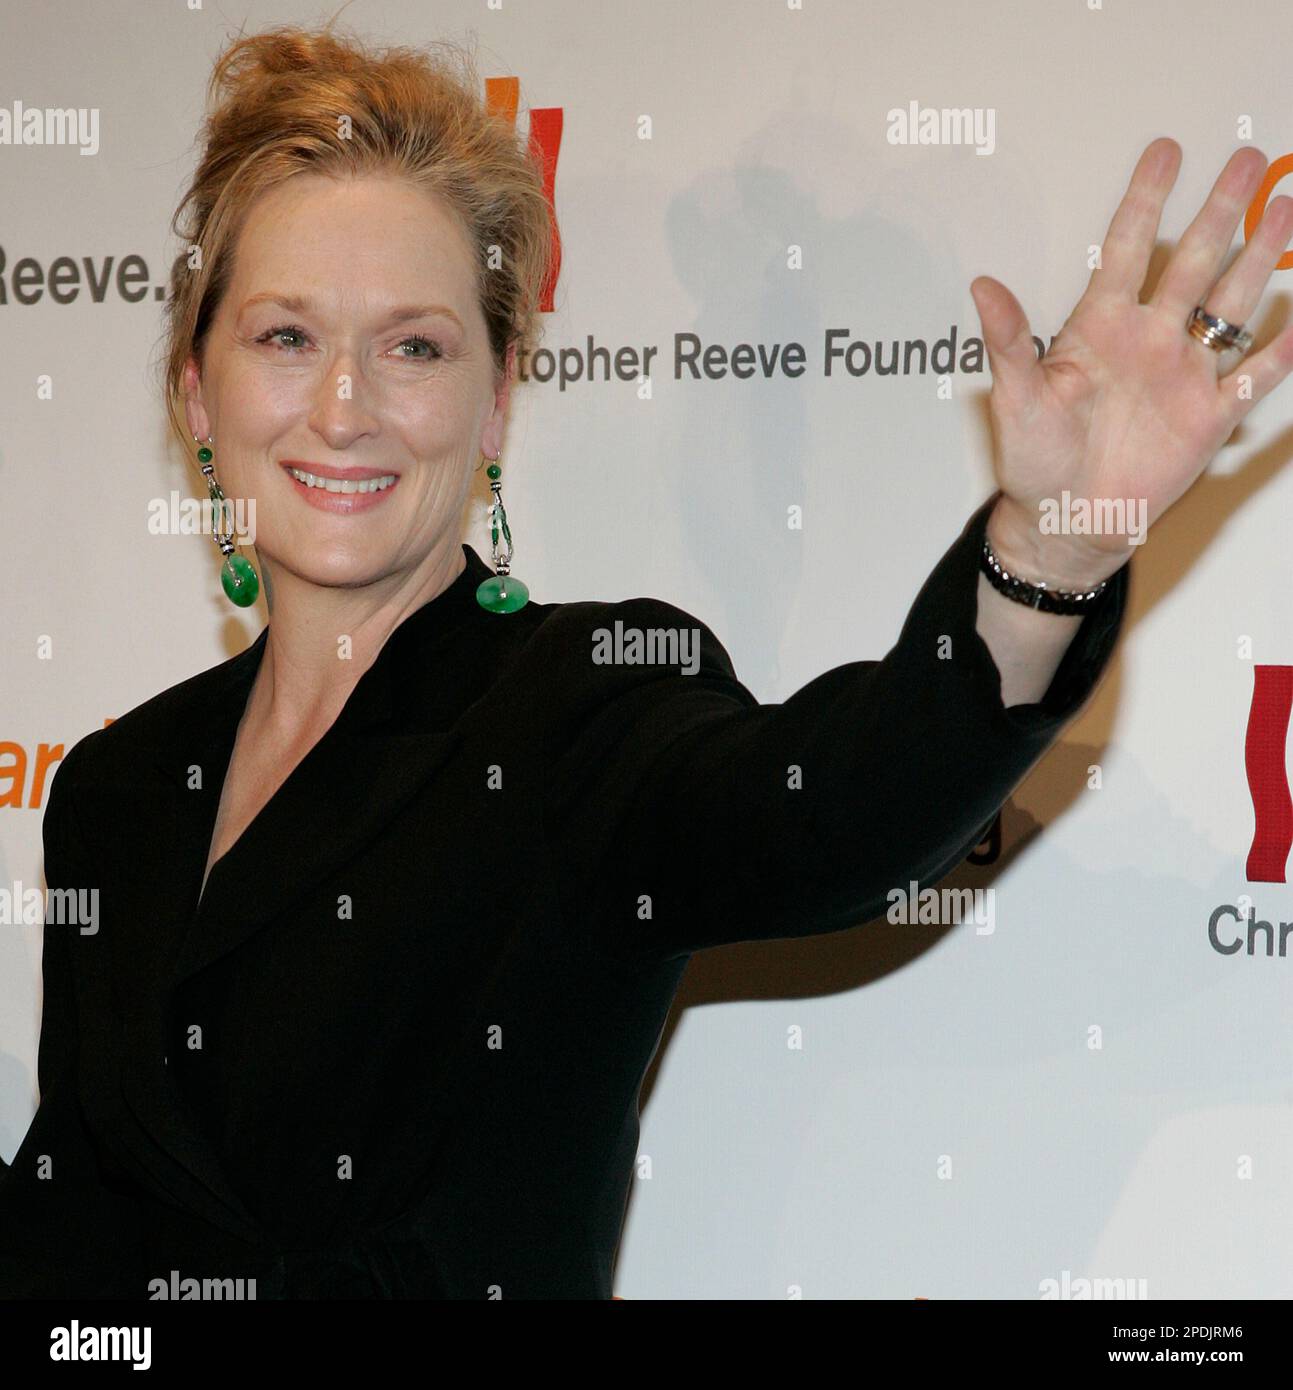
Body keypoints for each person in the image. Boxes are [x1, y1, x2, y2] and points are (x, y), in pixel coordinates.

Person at [3, 22, 1291, 1299]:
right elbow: (68, 1238)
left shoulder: (582, 711)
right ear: (194, 389)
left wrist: (1048, 556)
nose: (344, 404)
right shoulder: (119, 791)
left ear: (498, 396)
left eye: (414, 346)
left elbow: (837, 810)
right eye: (285, 337)